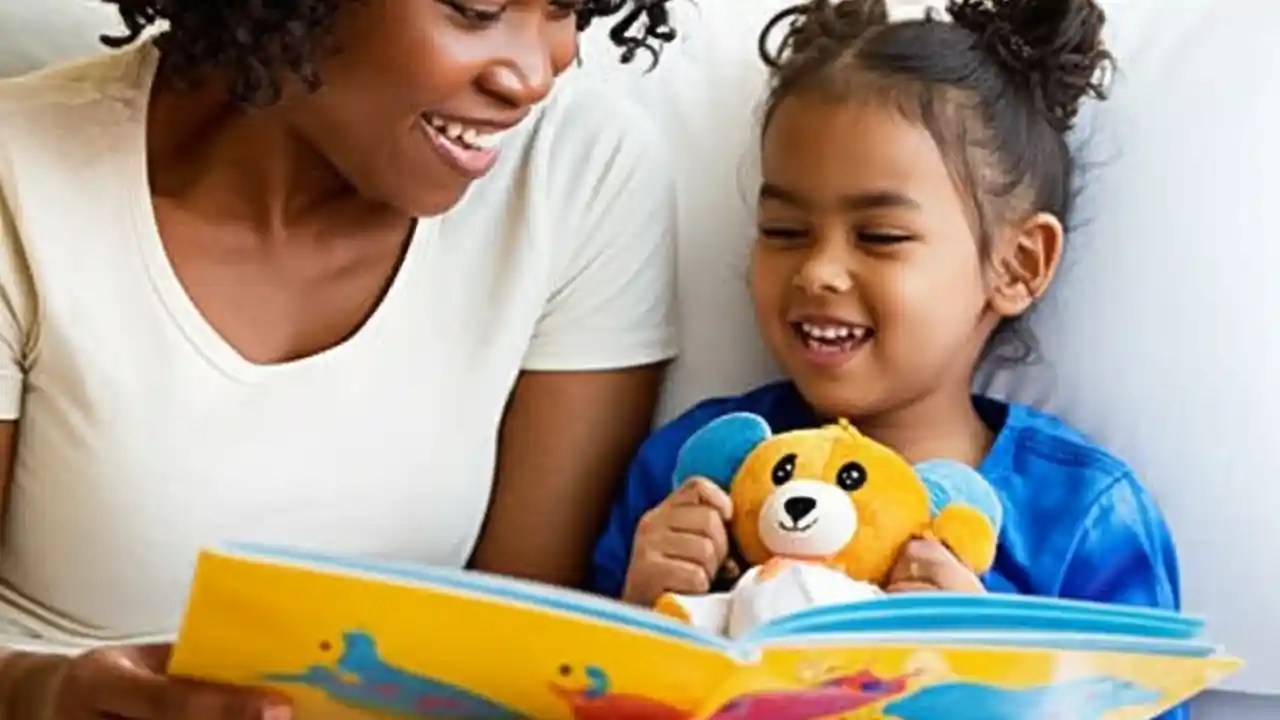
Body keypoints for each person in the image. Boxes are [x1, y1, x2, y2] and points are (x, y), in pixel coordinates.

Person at [0, 0, 681, 715]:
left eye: (565, 9)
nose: (534, 76)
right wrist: (53, 692)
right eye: (477, 10)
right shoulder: (24, 177)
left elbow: (520, 654)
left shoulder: (576, 174)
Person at [591, 0, 1185, 716]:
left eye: (880, 237)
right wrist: (639, 616)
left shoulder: (1082, 520)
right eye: (783, 230)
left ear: (1018, 263)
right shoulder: (696, 468)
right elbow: (567, 690)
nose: (817, 272)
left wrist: (989, 674)